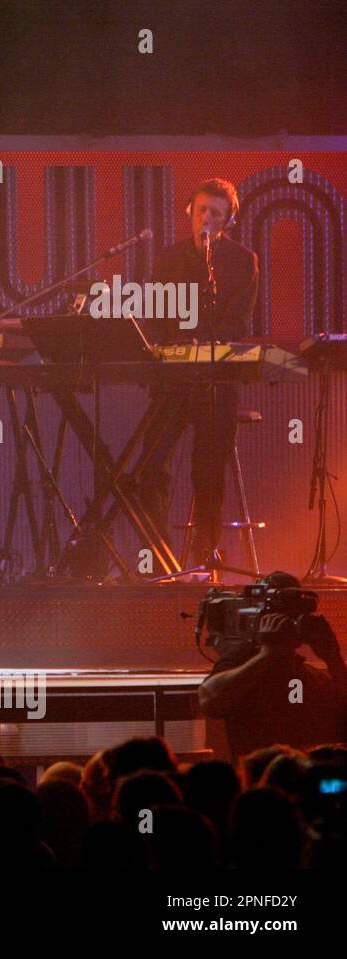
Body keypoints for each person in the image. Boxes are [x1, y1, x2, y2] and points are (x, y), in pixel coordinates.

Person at [140, 178, 259, 568]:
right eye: (202, 209)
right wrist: (162, 349)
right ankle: (159, 557)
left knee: (208, 470)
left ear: (228, 221)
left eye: (217, 213)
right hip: (173, 380)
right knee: (152, 464)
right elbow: (155, 315)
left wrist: (197, 346)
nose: (207, 218)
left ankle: (204, 553)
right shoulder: (169, 258)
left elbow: (236, 324)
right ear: (190, 210)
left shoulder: (243, 261)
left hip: (216, 381)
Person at [197, 572, 347, 758]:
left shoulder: (307, 674)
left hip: (300, 779)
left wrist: (333, 658)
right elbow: (210, 700)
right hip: (259, 776)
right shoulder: (242, 658)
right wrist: (269, 654)